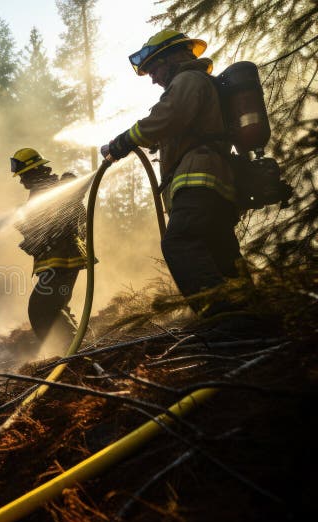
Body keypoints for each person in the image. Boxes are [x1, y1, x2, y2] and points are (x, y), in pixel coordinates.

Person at [100, 30, 255, 331]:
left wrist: (121, 142)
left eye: (155, 69)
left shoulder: (188, 81)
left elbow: (166, 117)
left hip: (199, 178)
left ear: (173, 57)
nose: (154, 78)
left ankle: (225, 322)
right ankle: (250, 317)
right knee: (221, 252)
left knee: (180, 243)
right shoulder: (198, 85)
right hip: (215, 182)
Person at [10, 148, 88, 348]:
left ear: (35, 171)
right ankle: (80, 349)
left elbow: (71, 206)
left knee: (41, 309)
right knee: (54, 308)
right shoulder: (38, 195)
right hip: (54, 261)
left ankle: (74, 353)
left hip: (63, 260)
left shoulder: (56, 189)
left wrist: (69, 182)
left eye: (23, 175)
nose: (21, 181)